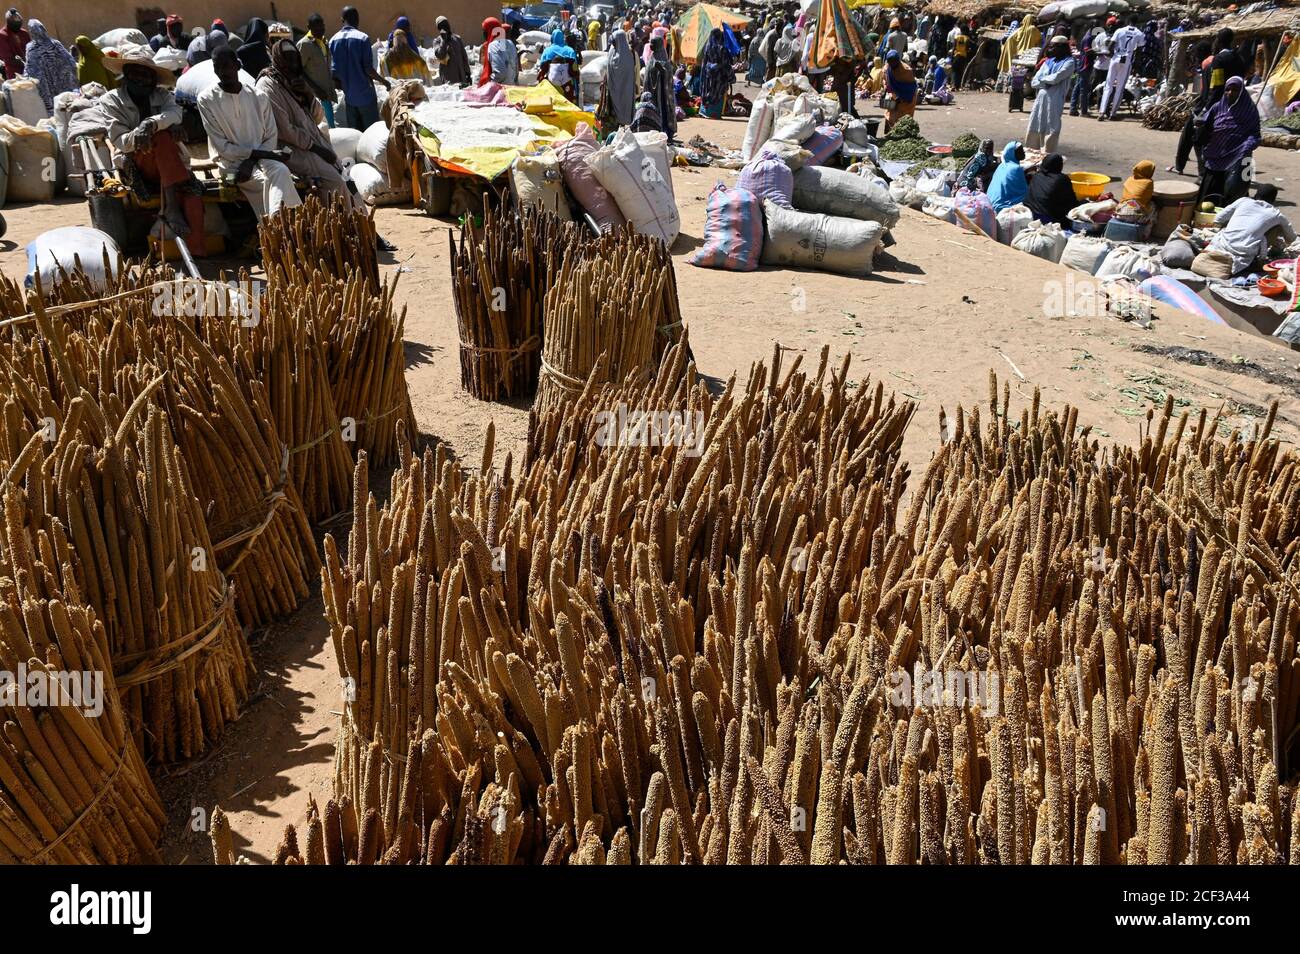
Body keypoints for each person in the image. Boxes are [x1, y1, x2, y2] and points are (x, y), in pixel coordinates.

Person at [101, 45, 205, 251]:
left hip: (171, 165)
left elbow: (175, 114)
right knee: (162, 136)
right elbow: (120, 140)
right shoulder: (111, 100)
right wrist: (146, 133)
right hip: (136, 164)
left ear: (154, 78)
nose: (141, 79)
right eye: (136, 74)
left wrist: (150, 124)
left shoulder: (163, 95)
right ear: (127, 75)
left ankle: (198, 253)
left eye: (146, 75)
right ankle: (171, 208)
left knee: (193, 199)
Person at [198, 46, 300, 220]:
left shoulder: (259, 96)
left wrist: (252, 159)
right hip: (229, 167)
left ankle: (275, 223)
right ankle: (277, 227)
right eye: (217, 67)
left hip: (262, 159)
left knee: (281, 170)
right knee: (266, 183)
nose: (222, 71)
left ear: (237, 65)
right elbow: (223, 148)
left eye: (226, 65)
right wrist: (251, 158)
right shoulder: (206, 100)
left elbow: (270, 136)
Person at [256, 39, 352, 209]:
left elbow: (316, 118)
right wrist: (317, 148)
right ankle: (343, 228)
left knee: (346, 178)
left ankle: (361, 226)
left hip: (313, 144)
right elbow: (286, 131)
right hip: (290, 149)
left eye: (295, 60)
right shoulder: (268, 85)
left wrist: (308, 94)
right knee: (335, 182)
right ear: (279, 60)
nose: (292, 65)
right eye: (288, 60)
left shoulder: (293, 82)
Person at [1172, 28, 1245, 174]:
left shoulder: (1219, 60)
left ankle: (1200, 172)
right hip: (1233, 104)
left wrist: (1206, 109)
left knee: (1198, 136)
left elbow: (1216, 86)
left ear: (1218, 40)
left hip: (1215, 105)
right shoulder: (1239, 59)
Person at [1191, 183, 1295, 278]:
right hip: (1244, 252)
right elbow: (1292, 238)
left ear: (1256, 194)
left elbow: (1218, 219)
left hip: (1222, 244)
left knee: (1230, 221)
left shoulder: (1243, 201)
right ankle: (1258, 261)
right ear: (1273, 200)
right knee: (1276, 228)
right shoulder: (1275, 213)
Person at [1199, 75, 1260, 205]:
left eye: (1235, 90)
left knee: (1234, 194)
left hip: (1239, 157)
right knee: (1208, 197)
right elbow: (1206, 122)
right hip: (1215, 156)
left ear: (1242, 91)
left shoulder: (1250, 110)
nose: (1230, 93)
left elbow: (1255, 135)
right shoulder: (1217, 107)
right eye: (1228, 89)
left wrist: (1246, 147)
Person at [332, 7, 389, 128]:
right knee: (371, 133)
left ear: (342, 20)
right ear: (357, 20)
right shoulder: (363, 38)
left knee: (356, 135)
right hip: (366, 97)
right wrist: (384, 81)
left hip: (349, 99)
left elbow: (334, 75)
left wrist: (347, 86)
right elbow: (368, 70)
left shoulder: (333, 40)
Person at [1025, 35, 1074, 153]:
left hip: (1055, 97)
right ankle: (1031, 152)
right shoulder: (1048, 62)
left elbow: (1056, 78)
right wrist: (1045, 81)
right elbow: (1034, 81)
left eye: (1052, 47)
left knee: (1051, 126)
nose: (1049, 50)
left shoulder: (1069, 62)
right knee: (1035, 123)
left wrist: (1043, 80)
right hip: (1041, 97)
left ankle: (1048, 155)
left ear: (1061, 48)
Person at [23, 20, 78, 109]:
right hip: (61, 83)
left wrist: (24, 78)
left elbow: (29, 69)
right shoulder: (55, 44)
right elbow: (70, 61)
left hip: (46, 88)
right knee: (66, 105)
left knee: (55, 110)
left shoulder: (31, 48)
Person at [1098, 14, 1143, 121]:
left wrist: (1111, 55)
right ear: (1137, 22)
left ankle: (1102, 112)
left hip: (1115, 59)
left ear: (1128, 21)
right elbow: (1139, 52)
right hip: (1127, 60)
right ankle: (1113, 113)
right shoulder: (1139, 33)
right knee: (1119, 88)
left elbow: (1110, 47)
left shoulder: (1119, 31)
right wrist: (1136, 67)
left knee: (1108, 86)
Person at [298, 14, 336, 125]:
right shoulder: (304, 44)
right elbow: (298, 70)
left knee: (330, 127)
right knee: (322, 127)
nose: (321, 29)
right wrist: (316, 89)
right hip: (315, 96)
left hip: (326, 93)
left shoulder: (324, 42)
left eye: (322, 26)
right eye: (316, 27)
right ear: (309, 27)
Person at [1025, 152, 1076, 226]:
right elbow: (1072, 200)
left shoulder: (1036, 176)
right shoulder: (1062, 179)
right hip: (1050, 218)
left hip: (1031, 213)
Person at [641, 30, 675, 140]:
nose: (651, 46)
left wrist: (662, 70)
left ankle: (666, 132)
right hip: (652, 93)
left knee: (663, 111)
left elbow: (668, 75)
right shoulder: (652, 58)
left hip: (662, 94)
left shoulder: (664, 60)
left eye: (653, 44)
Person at [698, 27, 732, 118]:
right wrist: (730, 76)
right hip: (719, 77)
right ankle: (714, 113)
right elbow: (726, 65)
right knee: (718, 92)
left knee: (708, 91)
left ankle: (705, 112)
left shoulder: (707, 47)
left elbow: (704, 63)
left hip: (708, 75)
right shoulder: (722, 49)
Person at [882, 49, 916, 132]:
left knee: (904, 118)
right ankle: (889, 135)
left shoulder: (906, 71)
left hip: (907, 98)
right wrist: (886, 89)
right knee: (890, 115)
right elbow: (884, 80)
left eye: (894, 62)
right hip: (893, 97)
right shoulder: (887, 68)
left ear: (898, 60)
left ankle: (904, 135)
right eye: (890, 62)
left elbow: (911, 88)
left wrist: (900, 97)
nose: (892, 64)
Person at [987, 141, 1028, 210]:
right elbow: (1024, 192)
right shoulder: (1016, 168)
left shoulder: (1002, 166)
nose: (1024, 152)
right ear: (1013, 154)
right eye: (1020, 151)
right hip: (1001, 206)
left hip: (989, 202)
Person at [431, 16, 470, 87]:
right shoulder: (437, 41)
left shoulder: (457, 38)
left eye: (446, 24)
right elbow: (440, 55)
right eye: (442, 25)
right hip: (449, 78)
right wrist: (444, 40)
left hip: (461, 76)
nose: (445, 27)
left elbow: (464, 57)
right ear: (439, 29)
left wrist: (468, 73)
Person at [537, 28, 576, 98]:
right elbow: (574, 66)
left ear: (552, 38)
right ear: (563, 38)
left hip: (550, 82)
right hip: (567, 84)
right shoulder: (570, 50)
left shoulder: (547, 50)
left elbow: (542, 65)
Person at [479, 16, 517, 86]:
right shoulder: (510, 43)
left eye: (484, 30)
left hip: (499, 88)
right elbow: (516, 68)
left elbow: (500, 73)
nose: (483, 33)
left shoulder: (493, 45)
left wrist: (490, 84)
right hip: (511, 86)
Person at [0, 9, 28, 77]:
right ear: (8, 21)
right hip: (15, 73)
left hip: (30, 70)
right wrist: (26, 64)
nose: (17, 20)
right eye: (14, 18)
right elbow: (7, 58)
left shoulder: (24, 33)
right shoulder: (2, 35)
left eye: (18, 18)